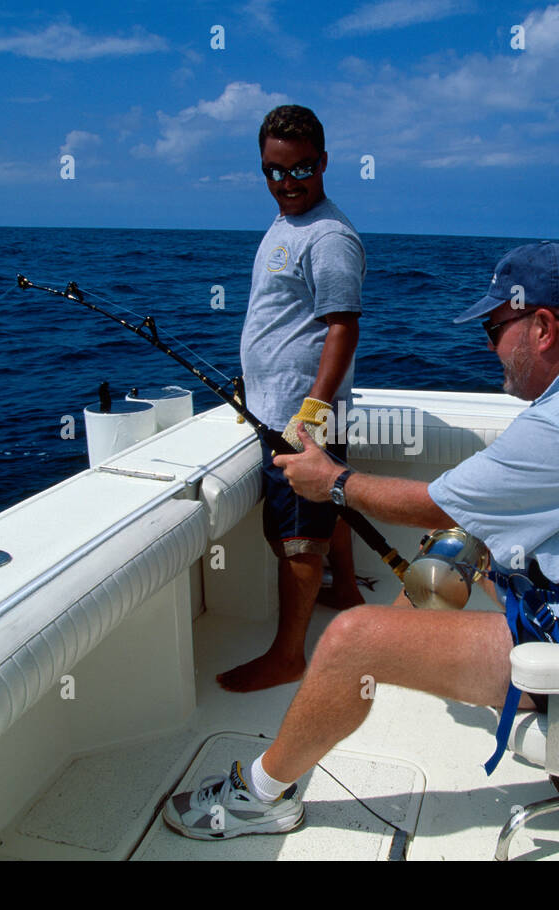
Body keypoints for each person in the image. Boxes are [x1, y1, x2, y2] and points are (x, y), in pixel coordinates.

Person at [163, 242, 559, 840]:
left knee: (351, 638)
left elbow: (433, 504)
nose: (488, 345)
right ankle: (393, 662)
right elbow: (469, 520)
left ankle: (263, 797)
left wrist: (331, 482)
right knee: (459, 545)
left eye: (494, 327)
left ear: (544, 327)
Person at [218, 104, 366, 693]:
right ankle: (349, 591)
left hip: (302, 416)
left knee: (298, 532)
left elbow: (342, 326)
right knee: (327, 503)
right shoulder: (285, 223)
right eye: (274, 172)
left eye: (301, 169)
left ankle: (288, 656)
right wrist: (251, 385)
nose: (288, 183)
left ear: (323, 162)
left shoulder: (330, 236)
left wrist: (314, 409)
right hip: (276, 404)